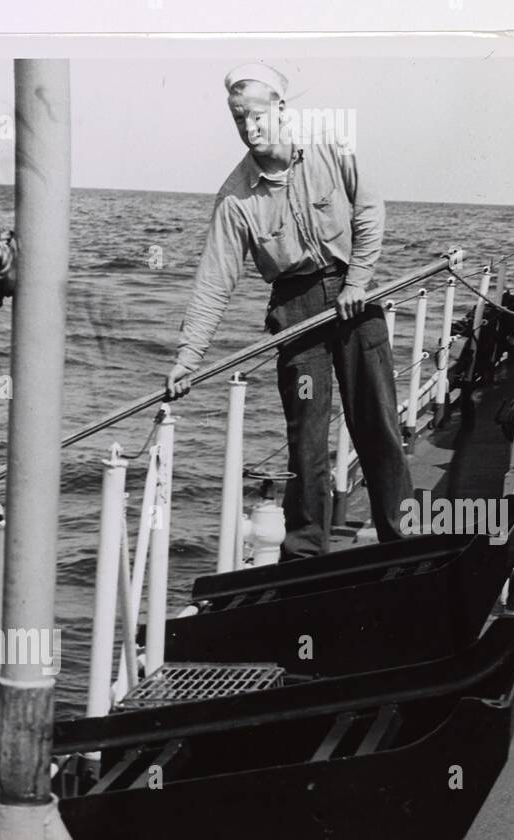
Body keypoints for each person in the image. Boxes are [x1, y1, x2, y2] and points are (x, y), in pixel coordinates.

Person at [165, 62, 412, 559]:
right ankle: (303, 557)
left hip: (353, 298)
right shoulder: (235, 198)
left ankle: (403, 542)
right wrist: (188, 359)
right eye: (239, 119)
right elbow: (214, 282)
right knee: (306, 441)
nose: (249, 128)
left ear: (280, 109)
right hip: (295, 313)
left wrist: (358, 282)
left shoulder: (331, 147)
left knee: (377, 424)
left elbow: (369, 212)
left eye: (256, 115)